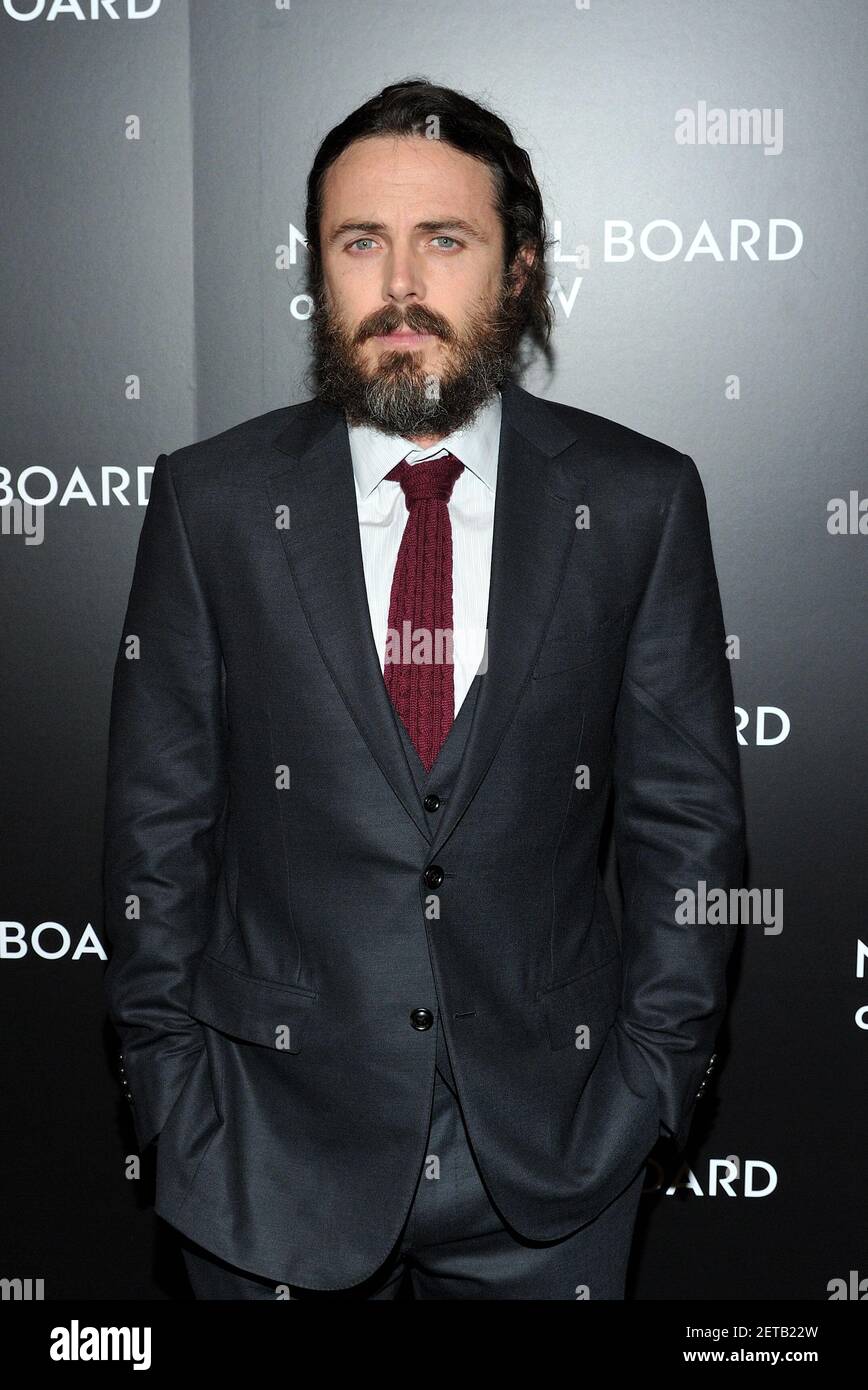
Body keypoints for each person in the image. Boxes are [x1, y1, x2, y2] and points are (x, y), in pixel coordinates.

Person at [103, 77, 746, 1300]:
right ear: (322, 270)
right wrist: (172, 1102)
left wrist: (652, 1081)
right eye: (361, 243)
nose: (399, 285)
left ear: (516, 271)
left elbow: (690, 834)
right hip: (261, 1162)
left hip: (554, 1163)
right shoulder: (214, 501)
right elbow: (155, 833)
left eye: (443, 241)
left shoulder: (637, 499)